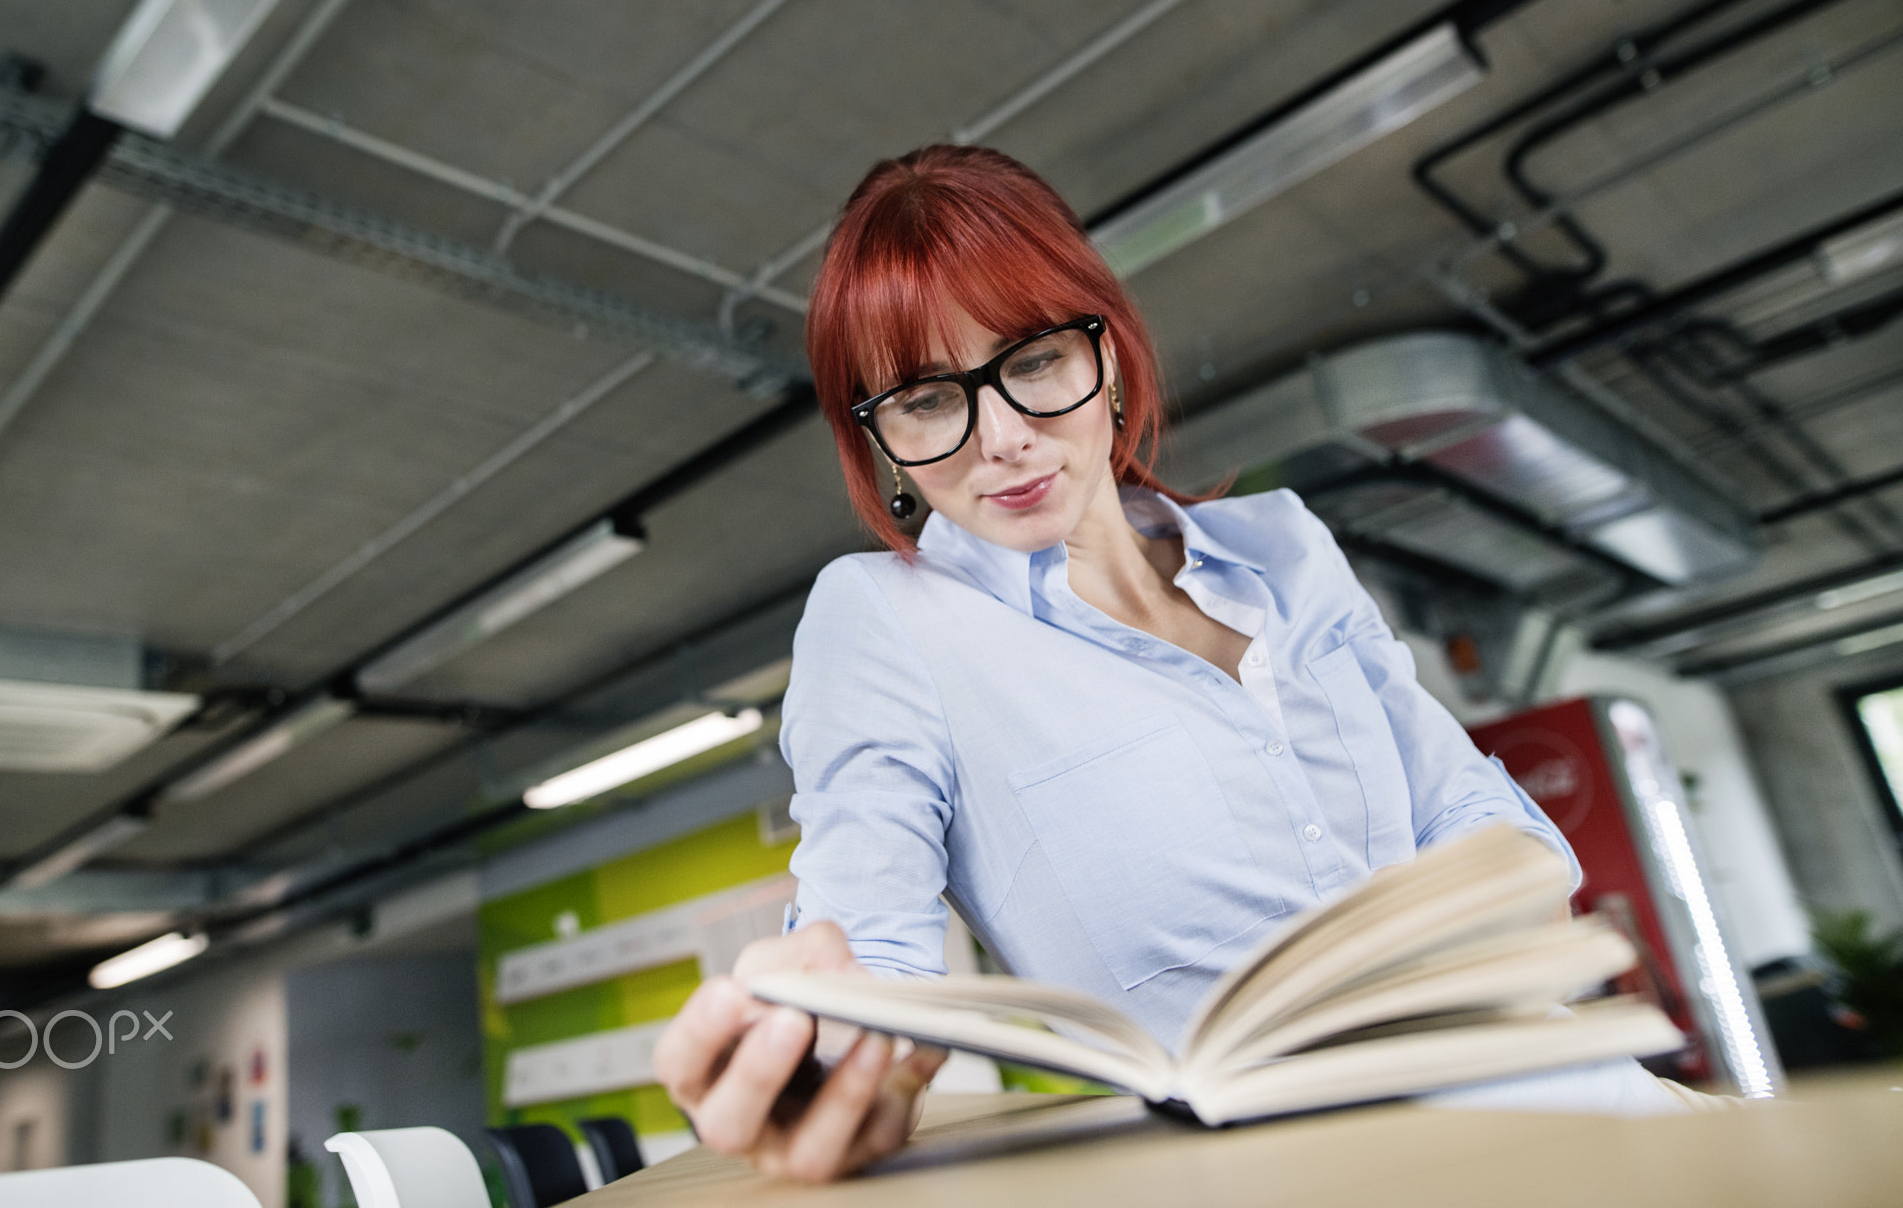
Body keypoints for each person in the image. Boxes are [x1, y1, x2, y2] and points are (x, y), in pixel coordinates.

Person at [652, 145, 1684, 1182]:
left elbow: (1491, 828)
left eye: (1032, 361)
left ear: (1105, 357)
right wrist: (822, 1061)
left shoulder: (1284, 550)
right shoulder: (882, 621)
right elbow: (868, 954)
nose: (1000, 438)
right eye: (924, 399)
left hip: (1571, 1113)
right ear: (878, 439)